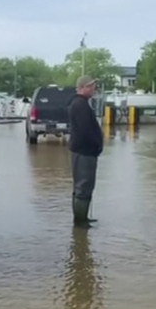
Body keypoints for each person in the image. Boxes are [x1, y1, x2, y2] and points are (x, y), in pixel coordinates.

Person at [68, 75, 103, 226]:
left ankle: (82, 219)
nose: (93, 90)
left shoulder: (80, 104)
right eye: (91, 87)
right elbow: (85, 131)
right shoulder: (79, 105)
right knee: (83, 186)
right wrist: (95, 145)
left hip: (84, 151)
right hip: (84, 152)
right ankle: (80, 222)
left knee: (84, 186)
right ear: (82, 87)